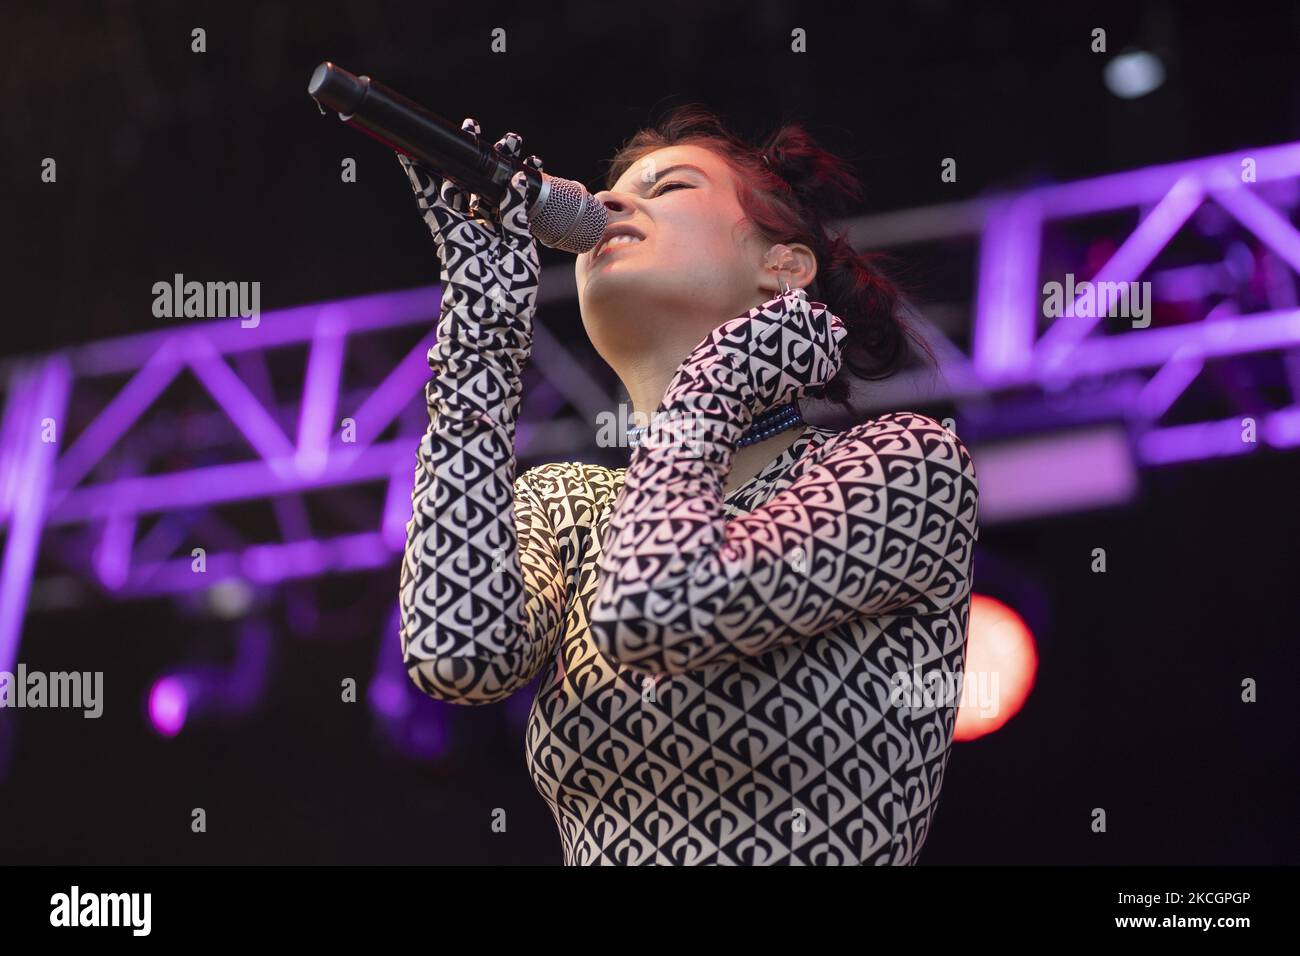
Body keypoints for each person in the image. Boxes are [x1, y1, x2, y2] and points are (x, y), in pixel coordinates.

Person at [396, 106, 980, 865]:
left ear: (784, 267)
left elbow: (655, 610)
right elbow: (456, 651)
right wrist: (480, 328)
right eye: (607, 193)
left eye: (666, 186)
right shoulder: (574, 505)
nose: (607, 206)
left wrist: (713, 382)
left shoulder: (904, 464)